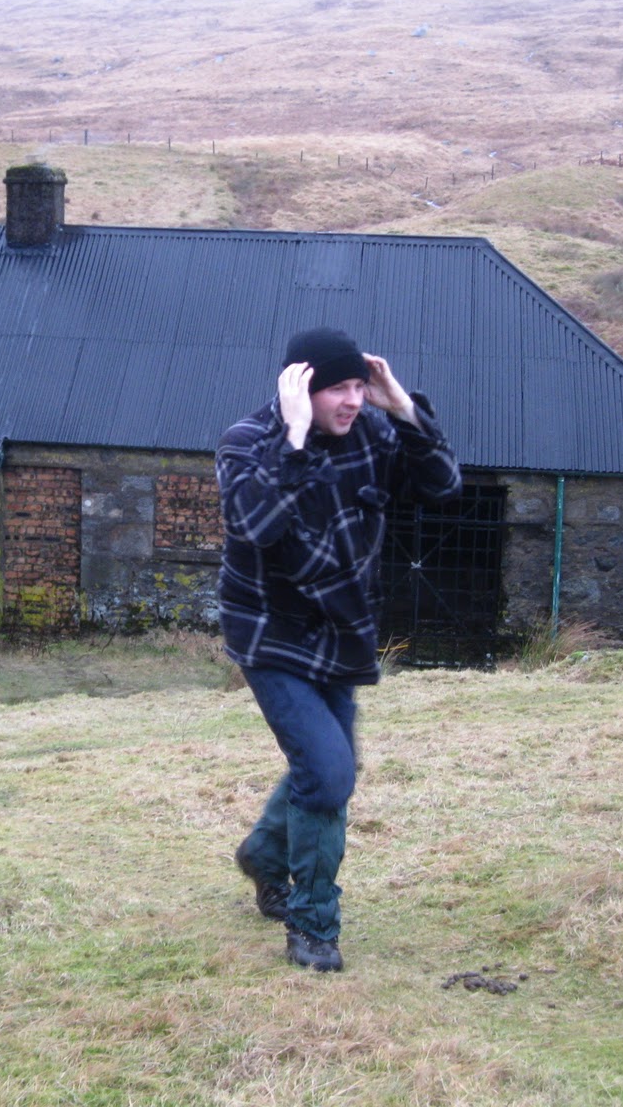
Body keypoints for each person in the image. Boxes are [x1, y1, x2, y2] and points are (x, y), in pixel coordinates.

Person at [217, 327, 461, 972]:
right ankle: (312, 925)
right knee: (327, 775)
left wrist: (402, 408)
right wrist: (295, 440)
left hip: (344, 632)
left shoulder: (374, 433)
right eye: (338, 388)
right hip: (270, 635)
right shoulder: (247, 444)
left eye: (359, 384)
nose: (352, 400)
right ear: (301, 386)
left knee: (329, 765)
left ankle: (265, 858)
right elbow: (257, 524)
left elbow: (441, 485)